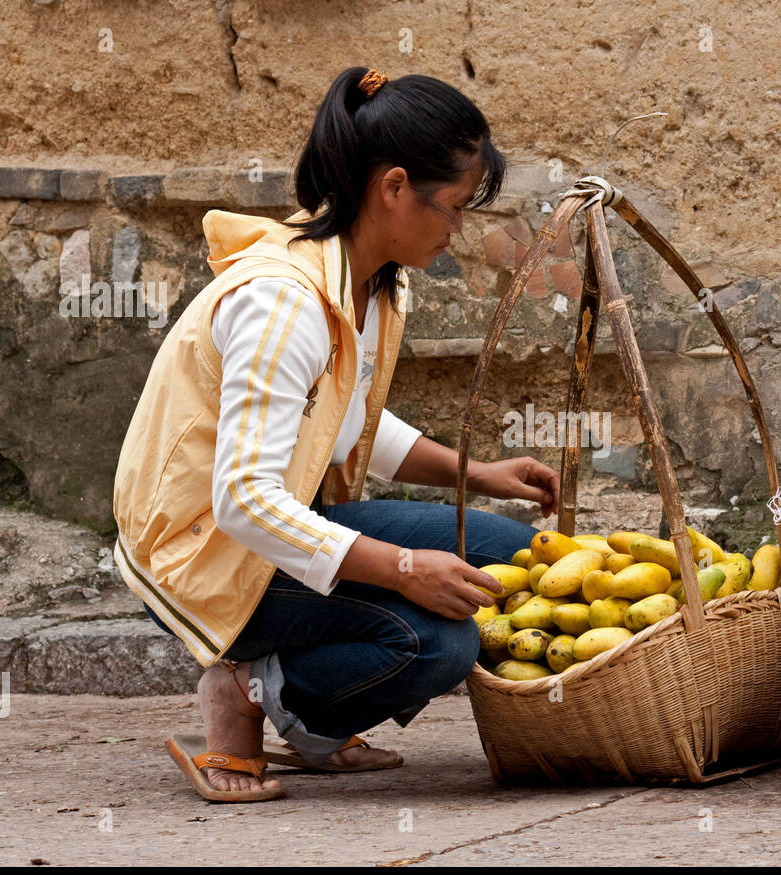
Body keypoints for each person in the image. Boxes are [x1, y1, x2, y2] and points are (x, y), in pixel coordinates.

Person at [112, 67, 559, 801]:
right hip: (204, 549)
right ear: (392, 188)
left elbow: (344, 418)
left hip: (270, 528)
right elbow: (243, 502)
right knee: (438, 640)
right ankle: (247, 692)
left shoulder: (371, 282)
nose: (458, 231)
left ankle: (297, 701)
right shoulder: (283, 304)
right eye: (451, 208)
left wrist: (477, 472)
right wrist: (407, 569)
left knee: (510, 556)